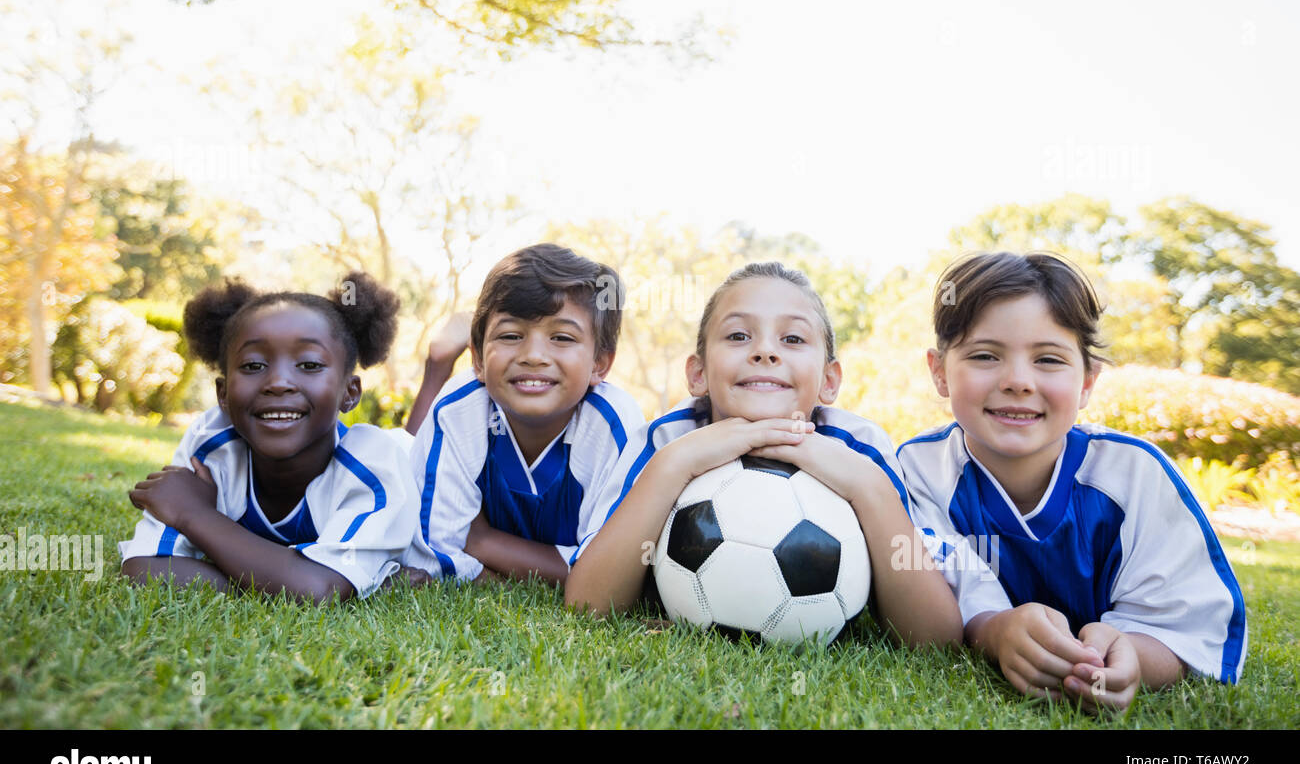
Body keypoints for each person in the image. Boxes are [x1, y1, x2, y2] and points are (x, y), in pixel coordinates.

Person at [898, 251, 1247, 710]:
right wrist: (997, 632)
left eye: (1048, 359)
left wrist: (1131, 656)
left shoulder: (1135, 474)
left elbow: (1191, 630)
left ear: (1087, 382)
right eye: (985, 355)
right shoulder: (917, 471)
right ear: (939, 371)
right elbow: (934, 604)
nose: (1019, 381)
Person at [565, 261, 963, 648]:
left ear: (829, 380)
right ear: (697, 374)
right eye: (739, 336)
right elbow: (587, 606)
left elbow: (936, 639)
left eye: (792, 339)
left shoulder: (860, 447)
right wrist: (674, 466)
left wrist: (869, 490)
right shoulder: (666, 439)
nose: (765, 352)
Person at [119, 271, 415, 604]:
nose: (278, 382)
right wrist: (278, 577)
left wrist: (194, 514)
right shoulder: (211, 443)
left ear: (349, 393)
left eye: (309, 364)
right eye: (254, 365)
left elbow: (318, 590)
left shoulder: (374, 463)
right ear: (223, 394)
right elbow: (143, 569)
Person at [402, 244, 644, 586]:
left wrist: (482, 541)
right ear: (480, 361)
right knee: (401, 449)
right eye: (511, 335)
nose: (533, 355)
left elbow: (606, 573)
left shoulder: (613, 425)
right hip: (402, 457)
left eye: (561, 337)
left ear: (600, 363)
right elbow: (432, 552)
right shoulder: (461, 408)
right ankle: (438, 361)